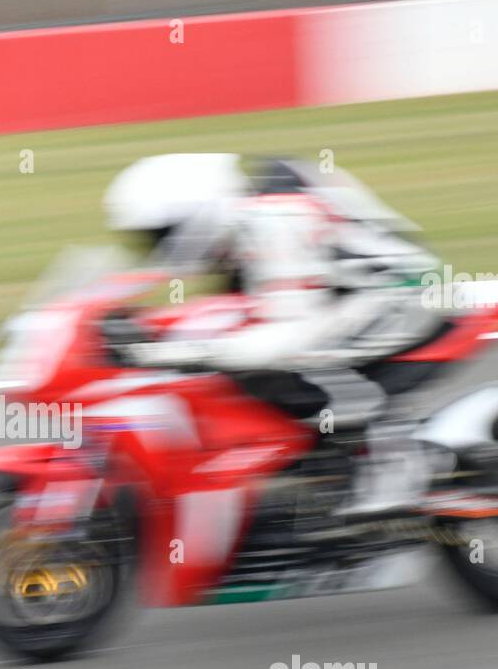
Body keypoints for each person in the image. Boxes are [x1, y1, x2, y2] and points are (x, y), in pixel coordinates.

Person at [103, 154, 446, 515]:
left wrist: (171, 353)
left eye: (159, 235)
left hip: (402, 297)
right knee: (239, 365)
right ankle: (325, 464)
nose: (156, 247)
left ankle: (396, 458)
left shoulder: (277, 219)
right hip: (348, 296)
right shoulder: (246, 219)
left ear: (195, 214)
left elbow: (288, 333)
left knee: (286, 363)